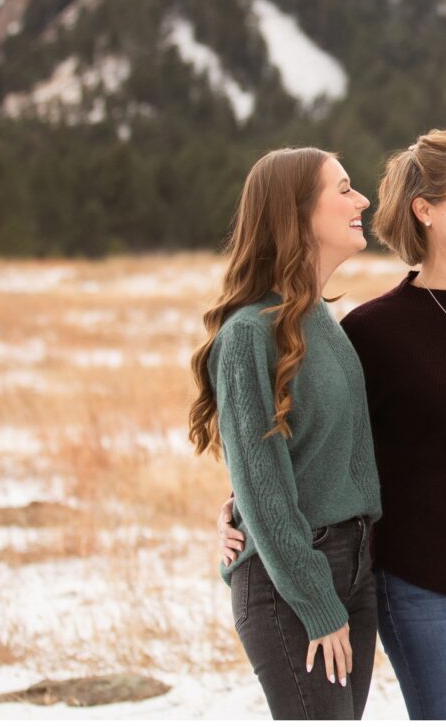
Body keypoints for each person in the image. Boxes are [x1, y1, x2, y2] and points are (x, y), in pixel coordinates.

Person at [219, 130, 446, 720]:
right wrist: (239, 506)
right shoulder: (367, 332)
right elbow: (294, 445)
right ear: (425, 210)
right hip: (416, 580)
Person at [189, 147, 383, 720]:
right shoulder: (250, 333)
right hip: (294, 588)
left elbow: (318, 455)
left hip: (353, 568)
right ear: (297, 214)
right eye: (344, 189)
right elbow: (263, 482)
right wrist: (317, 604)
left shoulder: (320, 320)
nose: (362, 200)